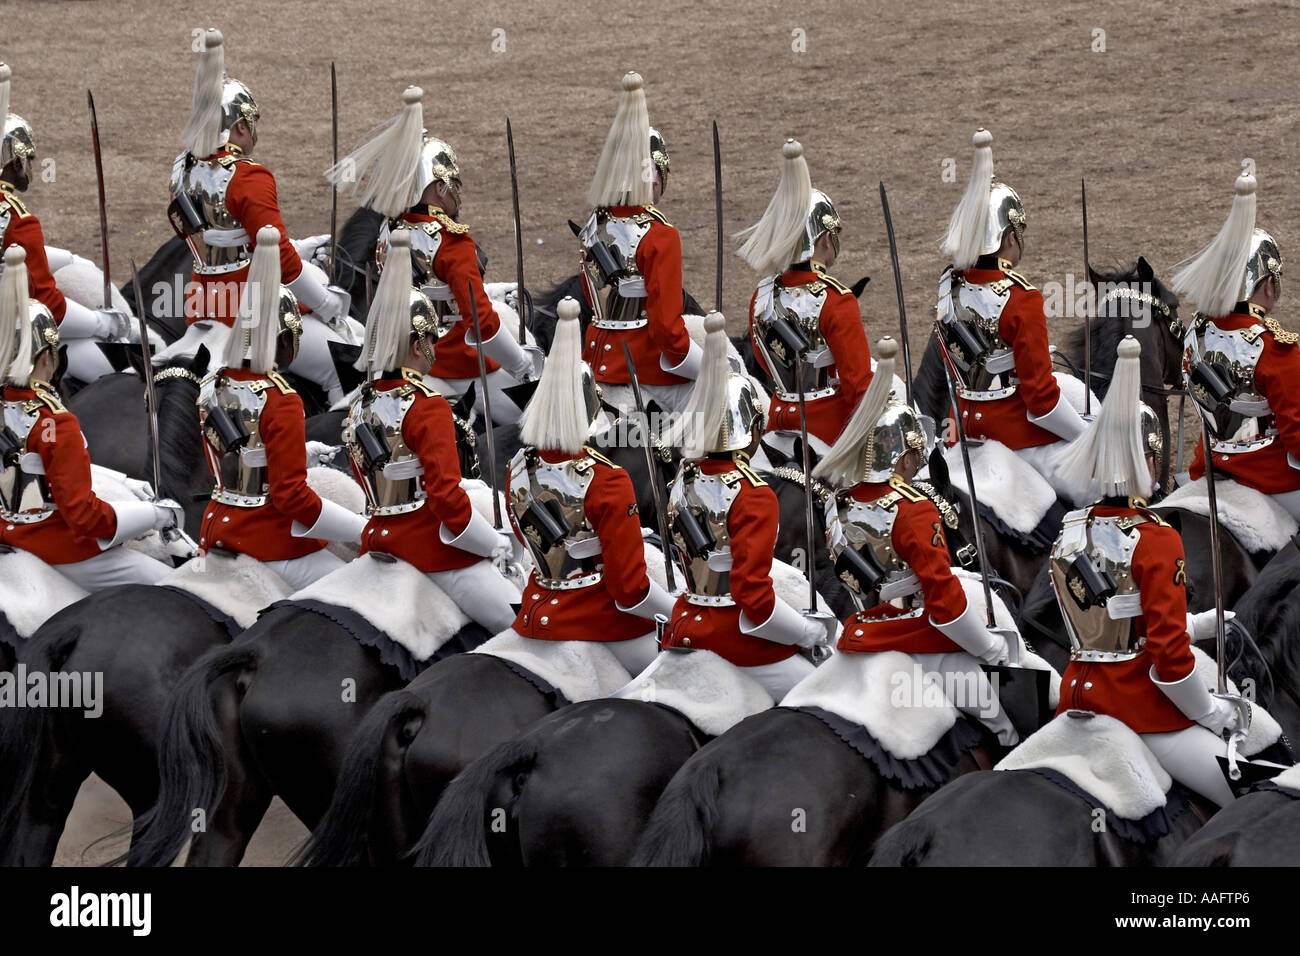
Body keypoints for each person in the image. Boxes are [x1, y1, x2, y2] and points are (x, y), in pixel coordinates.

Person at [1050, 335, 1250, 806]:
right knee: (1247, 796)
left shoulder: (1070, 529)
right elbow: (1168, 658)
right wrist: (1210, 713)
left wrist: (1196, 624)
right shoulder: (1156, 537)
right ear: (1152, 459)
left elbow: (1114, 621)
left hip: (1076, 696)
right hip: (1137, 707)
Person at [814, 337, 1018, 745]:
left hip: (857, 636)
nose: (918, 464)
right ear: (902, 457)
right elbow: (943, 603)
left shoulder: (836, 503)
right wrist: (990, 650)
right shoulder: (915, 508)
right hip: (920, 645)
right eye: (915, 455)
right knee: (1010, 720)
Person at [326, 86, 539, 424]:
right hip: (455, 367)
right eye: (454, 181)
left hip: (395, 359)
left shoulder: (386, 233)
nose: (458, 189)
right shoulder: (452, 242)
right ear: (439, 187)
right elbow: (481, 324)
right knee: (538, 419)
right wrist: (520, 363)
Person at [165, 29, 355, 401]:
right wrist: (325, 303)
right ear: (238, 126)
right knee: (343, 367)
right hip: (249, 310)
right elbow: (280, 262)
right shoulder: (248, 176)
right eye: (251, 124)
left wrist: (295, 246)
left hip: (203, 302)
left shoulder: (181, 170)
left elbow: (225, 241)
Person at [344, 230, 520, 634]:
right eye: (429, 340)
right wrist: (493, 544)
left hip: (377, 538)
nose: (434, 349)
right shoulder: (427, 405)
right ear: (415, 343)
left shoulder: (360, 404)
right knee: (516, 622)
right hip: (429, 548)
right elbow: (448, 503)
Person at [659, 311, 829, 699]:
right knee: (819, 695)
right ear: (751, 430)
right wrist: (808, 632)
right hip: (733, 638)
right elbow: (753, 599)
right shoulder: (753, 493)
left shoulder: (681, 481)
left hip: (685, 624)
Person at [502, 297, 675, 672]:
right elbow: (630, 591)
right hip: (596, 621)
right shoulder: (608, 479)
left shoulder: (516, 468)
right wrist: (677, 612)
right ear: (592, 409)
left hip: (536, 610)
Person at [197, 226, 366, 589]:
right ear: (284, 337)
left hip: (216, 527)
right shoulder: (282, 399)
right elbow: (292, 498)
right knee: (357, 588)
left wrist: (301, 454)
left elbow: (247, 456)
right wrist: (360, 527)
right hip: (267, 539)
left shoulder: (212, 385)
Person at [0, 246, 177, 588]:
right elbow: (84, 517)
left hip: (7, 532)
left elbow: (34, 466)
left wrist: (121, 481)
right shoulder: (56, 421)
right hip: (56, 548)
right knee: (170, 587)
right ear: (46, 357)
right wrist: (153, 515)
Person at [936, 128, 1086, 500]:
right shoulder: (1022, 297)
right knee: (1096, 483)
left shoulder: (948, 287)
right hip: (1015, 435)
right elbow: (1042, 402)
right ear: (1008, 238)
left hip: (963, 428)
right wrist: (1087, 436)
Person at [1175, 171, 1300, 520]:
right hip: (1270, 477)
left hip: (1210, 466)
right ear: (1268, 284)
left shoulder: (1195, 334)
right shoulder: (1276, 347)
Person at [578, 72, 701, 417]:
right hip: (642, 370)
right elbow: (666, 330)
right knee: (716, 403)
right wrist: (706, 366)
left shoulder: (595, 225)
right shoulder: (661, 235)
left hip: (595, 360)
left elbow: (594, 300)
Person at [739, 139, 871, 459]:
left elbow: (767, 361)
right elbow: (859, 389)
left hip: (777, 423)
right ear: (825, 238)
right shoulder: (837, 300)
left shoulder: (762, 296)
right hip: (826, 432)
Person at [0, 61, 132, 383]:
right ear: (15, 159)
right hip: (8, 340)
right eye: (28, 159)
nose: (30, 166)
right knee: (116, 376)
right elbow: (50, 307)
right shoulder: (17, 218)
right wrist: (103, 324)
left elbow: (17, 254)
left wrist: (69, 259)